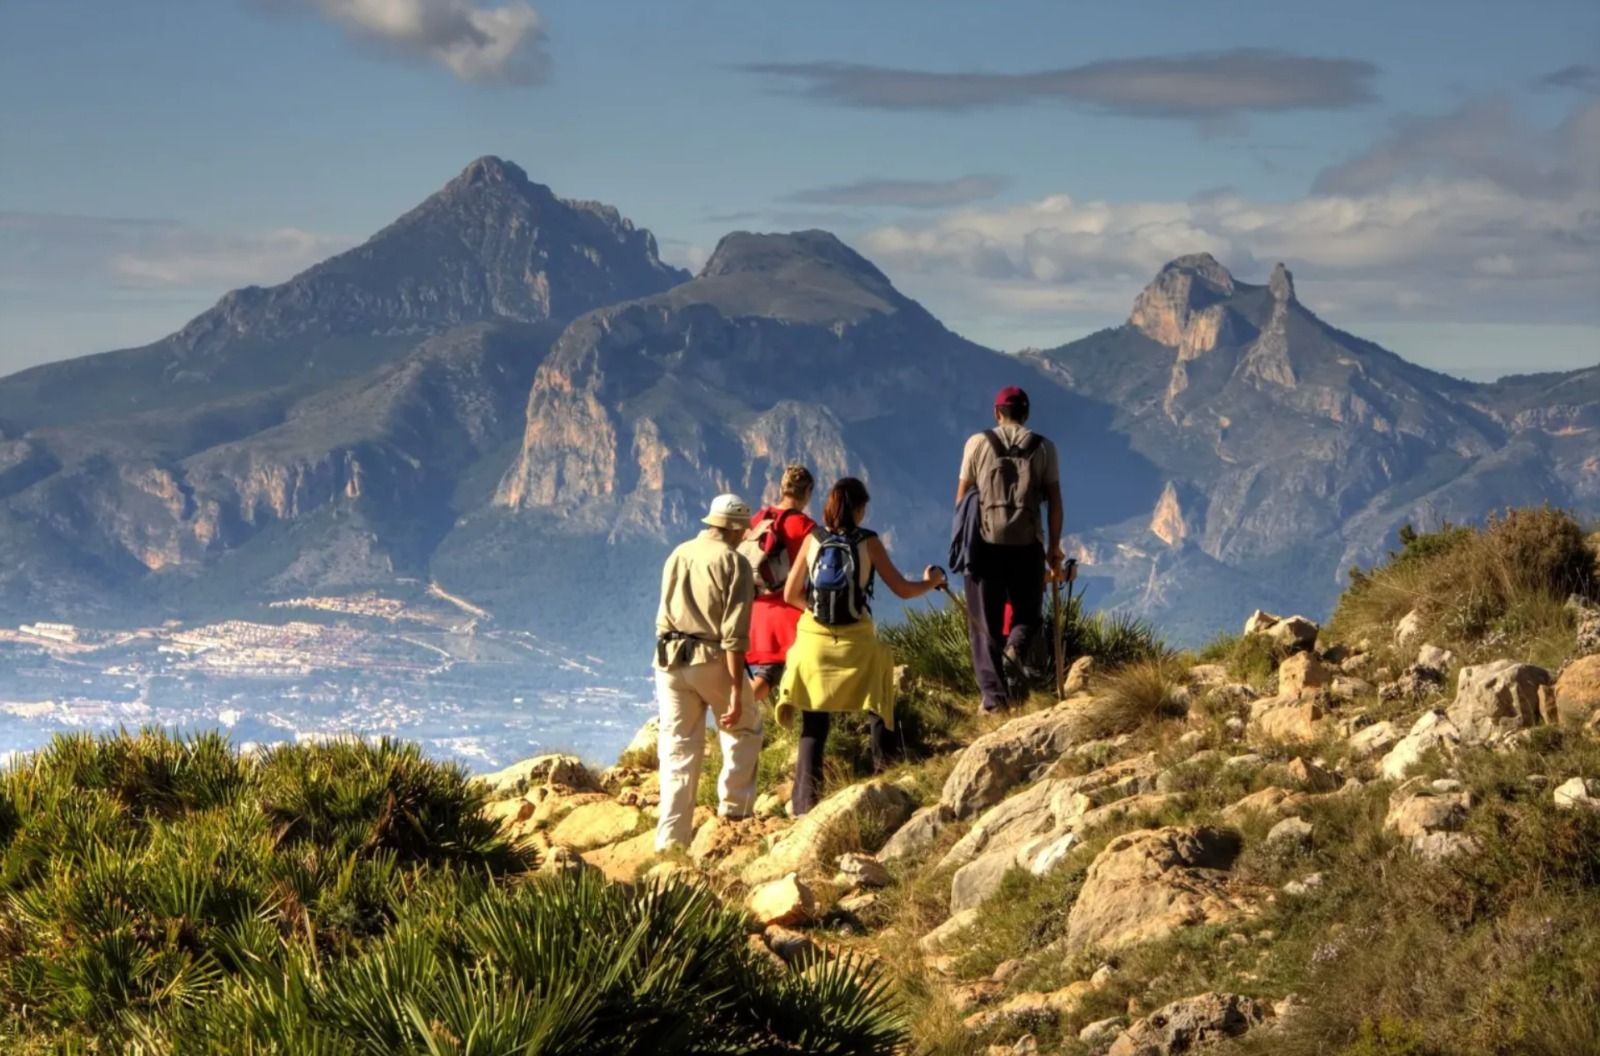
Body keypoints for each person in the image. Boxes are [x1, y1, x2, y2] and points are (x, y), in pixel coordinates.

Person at [777, 477, 947, 815]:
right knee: (878, 698)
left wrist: (817, 612)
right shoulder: (869, 542)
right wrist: (932, 582)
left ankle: (804, 804)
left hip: (814, 644)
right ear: (858, 509)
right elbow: (901, 589)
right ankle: (885, 770)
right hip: (857, 643)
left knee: (814, 723)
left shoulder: (814, 539)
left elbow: (790, 594)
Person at [652, 493, 764, 850]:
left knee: (679, 749)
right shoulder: (734, 563)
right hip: (709, 657)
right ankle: (735, 812)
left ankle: (670, 841)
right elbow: (734, 636)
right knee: (742, 726)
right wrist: (735, 688)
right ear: (735, 528)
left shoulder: (678, 553)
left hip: (668, 660)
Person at [956, 386, 1069, 713]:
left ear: (997, 413)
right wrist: (1054, 547)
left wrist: (963, 544)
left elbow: (961, 499)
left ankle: (994, 701)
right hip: (1027, 544)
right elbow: (1056, 503)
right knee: (1028, 613)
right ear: (1027, 413)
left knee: (983, 624)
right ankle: (1016, 648)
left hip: (985, 546)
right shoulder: (1045, 448)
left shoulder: (977, 444)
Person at [744, 465, 818, 702]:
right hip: (790, 612)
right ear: (807, 492)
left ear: (782, 489)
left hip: (756, 611)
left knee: (766, 672)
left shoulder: (758, 519)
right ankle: (740, 710)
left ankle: (738, 707)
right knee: (786, 673)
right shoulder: (807, 528)